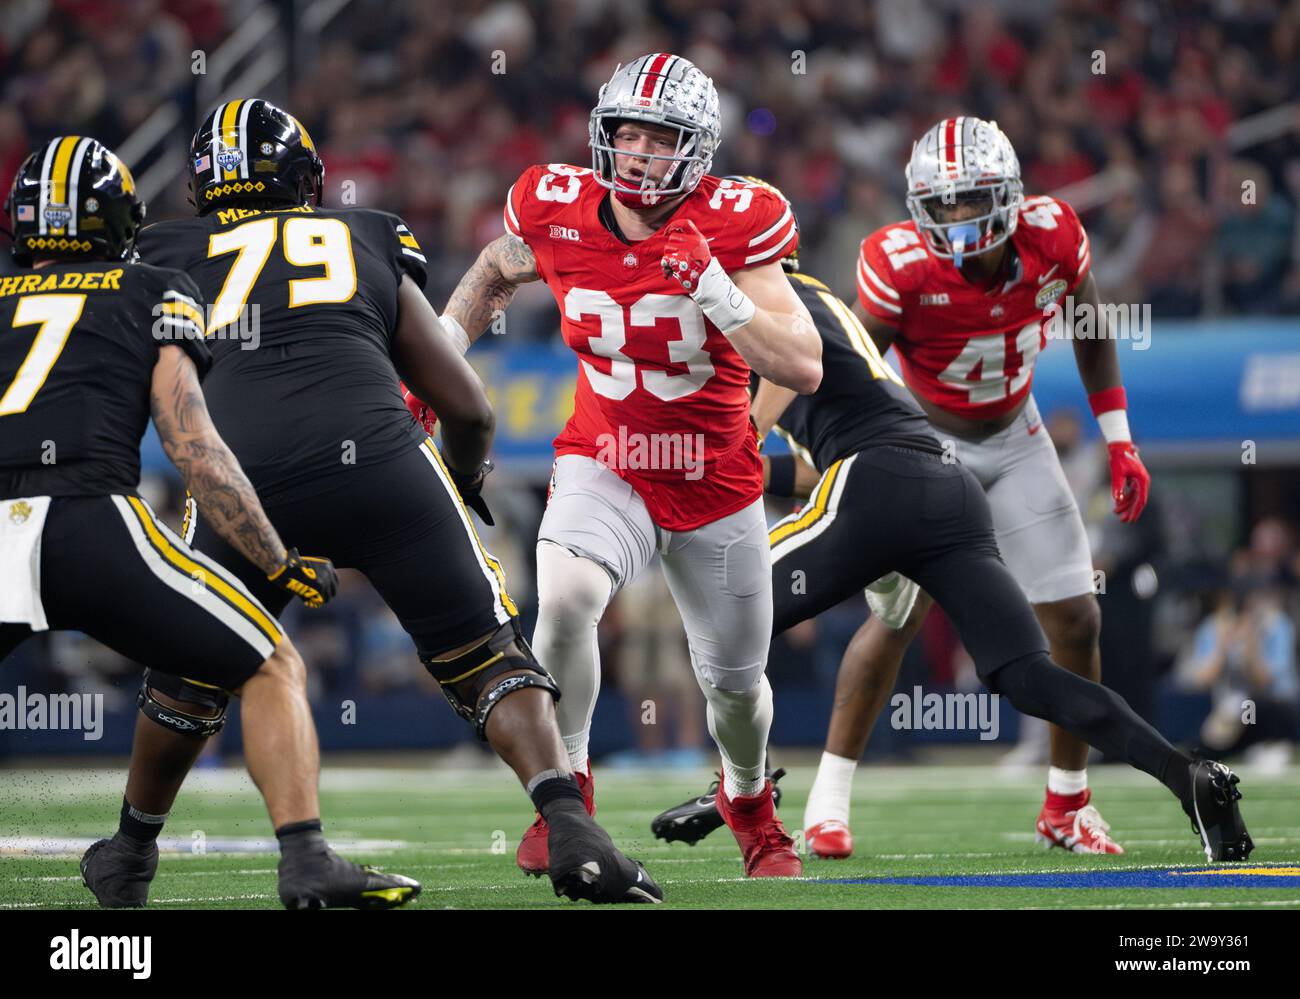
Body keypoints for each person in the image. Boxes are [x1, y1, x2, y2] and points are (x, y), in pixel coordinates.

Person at [95, 100, 660, 905]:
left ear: (199, 188)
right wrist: (460, 480)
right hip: (384, 463)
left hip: (239, 477)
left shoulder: (162, 253)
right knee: (489, 655)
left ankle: (130, 850)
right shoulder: (363, 234)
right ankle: (572, 825)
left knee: (189, 675)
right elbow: (467, 404)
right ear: (308, 179)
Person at [650, 176, 1253, 865]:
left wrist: (735, 439)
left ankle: (742, 792)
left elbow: (794, 371)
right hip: (942, 482)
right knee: (1029, 675)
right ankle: (1190, 776)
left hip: (879, 479)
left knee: (727, 620)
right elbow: (811, 466)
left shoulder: (774, 303)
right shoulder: (808, 302)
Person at [0, 135, 420, 908]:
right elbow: (197, 450)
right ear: (120, 221)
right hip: (89, 523)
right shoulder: (152, 288)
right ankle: (305, 860)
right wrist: (275, 557)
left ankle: (132, 860)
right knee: (268, 663)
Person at [439, 53, 822, 878]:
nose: (642, 156)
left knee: (735, 685)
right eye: (629, 136)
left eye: (662, 140)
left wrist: (715, 287)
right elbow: (496, 272)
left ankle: (750, 802)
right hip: (605, 456)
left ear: (700, 150)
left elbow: (803, 363)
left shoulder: (737, 221)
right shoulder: (556, 205)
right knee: (566, 597)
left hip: (714, 474)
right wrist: (434, 363)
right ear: (602, 137)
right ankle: (565, 791)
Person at [806, 115, 1153, 857]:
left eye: (975, 201)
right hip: (925, 442)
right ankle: (826, 802)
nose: (961, 219)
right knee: (896, 621)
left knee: (1078, 619)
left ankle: (1067, 803)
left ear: (1010, 198)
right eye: (947, 203)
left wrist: (1119, 439)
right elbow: (861, 372)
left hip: (1016, 434)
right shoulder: (901, 265)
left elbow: (1092, 327)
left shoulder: (1052, 235)